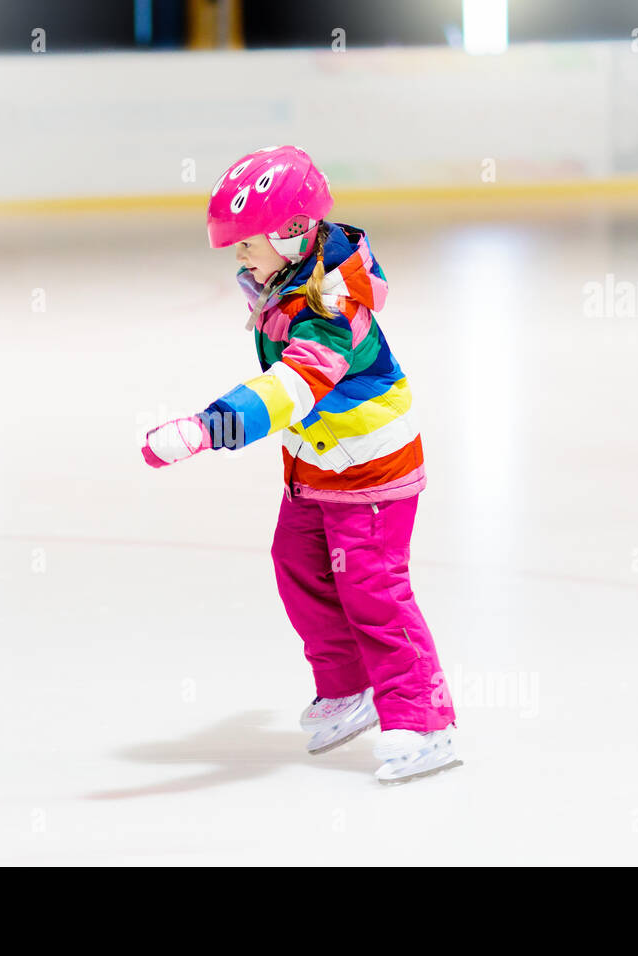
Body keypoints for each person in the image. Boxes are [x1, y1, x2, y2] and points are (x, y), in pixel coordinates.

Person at [141, 145, 460, 785]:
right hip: (315, 469)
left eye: (245, 243)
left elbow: (293, 386)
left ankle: (425, 721)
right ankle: (351, 687)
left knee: (373, 591)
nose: (239, 255)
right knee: (299, 566)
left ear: (291, 233)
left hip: (370, 473)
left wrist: (211, 426)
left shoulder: (334, 307)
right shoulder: (284, 282)